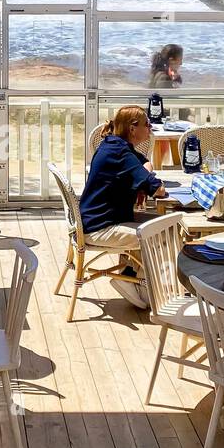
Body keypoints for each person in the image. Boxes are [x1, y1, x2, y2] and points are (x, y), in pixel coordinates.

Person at [80, 105, 169, 309]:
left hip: (94, 219)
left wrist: (144, 175)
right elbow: (157, 189)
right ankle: (143, 287)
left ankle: (130, 276)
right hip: (99, 227)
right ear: (132, 128)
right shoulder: (120, 152)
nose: (150, 128)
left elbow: (144, 164)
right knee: (161, 234)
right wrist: (147, 179)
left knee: (155, 224)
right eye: (147, 124)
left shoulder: (113, 144)